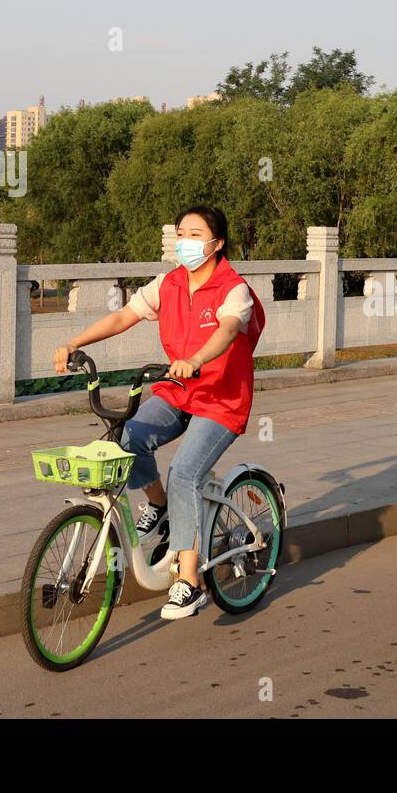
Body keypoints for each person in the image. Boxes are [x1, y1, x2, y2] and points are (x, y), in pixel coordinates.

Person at [53, 204, 266, 620]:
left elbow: (226, 331)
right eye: (181, 233)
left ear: (216, 243)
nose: (185, 241)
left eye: (195, 234)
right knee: (127, 438)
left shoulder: (233, 289)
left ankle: (190, 581)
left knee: (186, 471)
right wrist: (74, 342)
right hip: (178, 389)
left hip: (221, 397)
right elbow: (123, 315)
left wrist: (197, 359)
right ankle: (163, 505)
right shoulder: (167, 284)